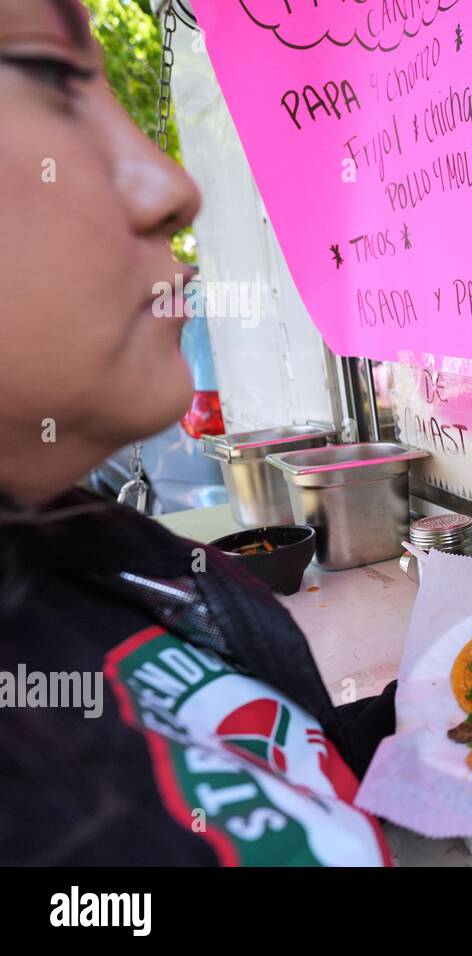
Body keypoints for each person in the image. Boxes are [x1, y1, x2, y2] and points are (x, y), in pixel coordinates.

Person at [0, 0, 394, 866]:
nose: (174, 189)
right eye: (51, 77)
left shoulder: (89, 557)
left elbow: (276, 763)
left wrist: (423, 725)